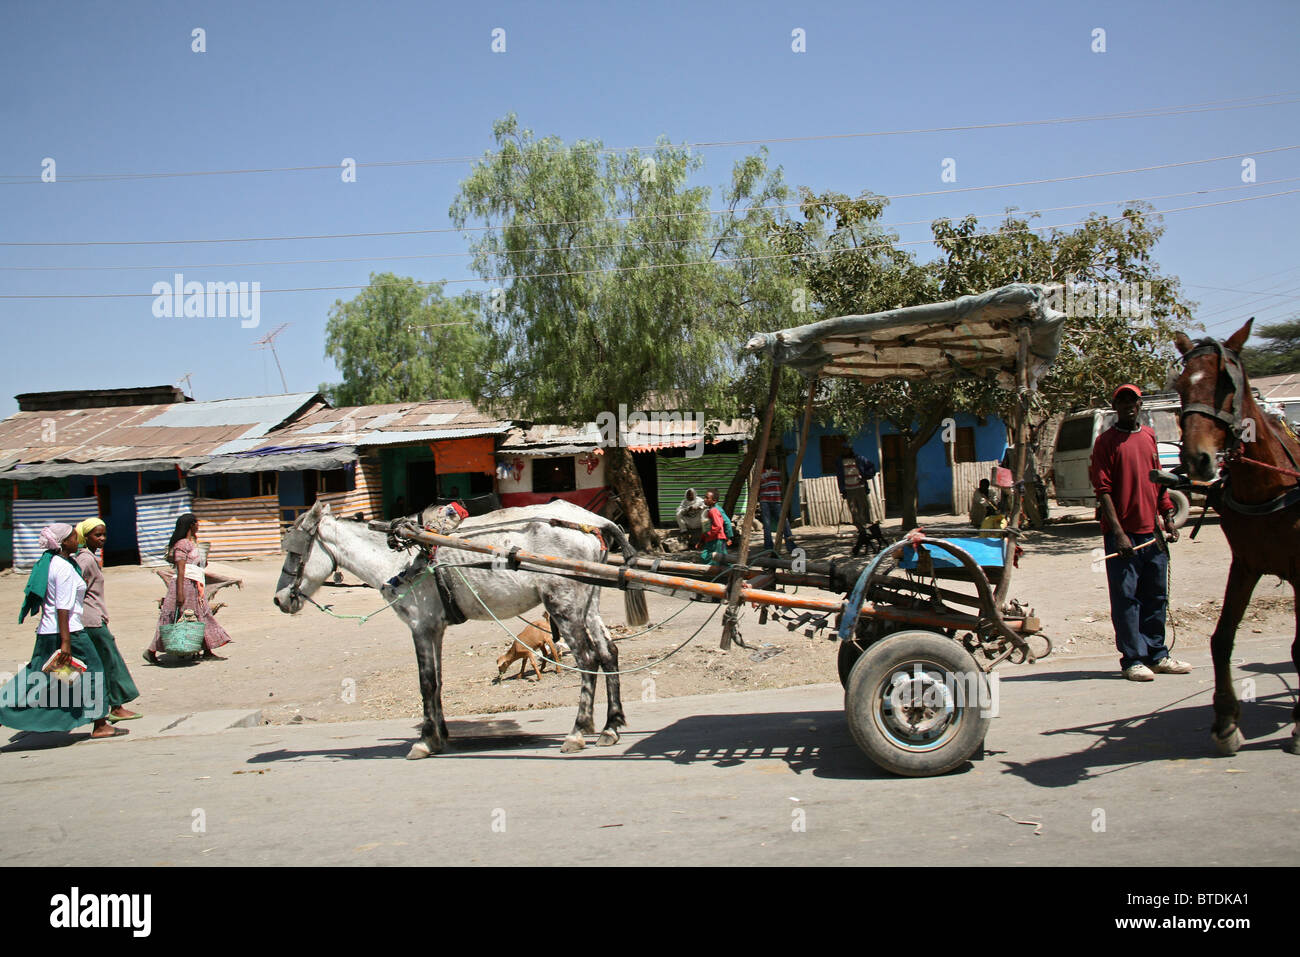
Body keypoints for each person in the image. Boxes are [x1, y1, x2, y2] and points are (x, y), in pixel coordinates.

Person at [1090, 384, 1190, 681]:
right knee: (1126, 599)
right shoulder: (1105, 442)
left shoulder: (1148, 435)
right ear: (1115, 406)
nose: (1128, 405)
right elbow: (1103, 491)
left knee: (1156, 596)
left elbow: (1156, 479)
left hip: (1153, 533)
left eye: (1132, 400)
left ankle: (1157, 655)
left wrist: (1167, 514)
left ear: (1140, 404)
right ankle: (1133, 659)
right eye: (1121, 401)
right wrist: (1118, 532)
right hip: (1124, 536)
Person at [0, 524, 121, 739]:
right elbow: (62, 607)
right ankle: (100, 725)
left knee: (40, 676)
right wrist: (66, 643)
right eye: (74, 537)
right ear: (64, 542)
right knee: (93, 673)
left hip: (48, 632)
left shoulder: (53, 563)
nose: (78, 540)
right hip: (69, 633)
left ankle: (6, 710)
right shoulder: (63, 568)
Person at [73, 518, 140, 722]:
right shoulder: (85, 559)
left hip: (94, 616)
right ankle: (116, 706)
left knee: (105, 661)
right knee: (110, 661)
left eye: (103, 534)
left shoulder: (90, 557)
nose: (102, 539)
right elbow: (75, 585)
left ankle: (114, 705)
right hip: (91, 619)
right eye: (97, 535)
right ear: (86, 537)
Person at [144, 513, 232, 663]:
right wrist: (180, 594)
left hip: (194, 586)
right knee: (173, 619)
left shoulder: (192, 544)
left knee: (201, 616)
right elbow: (181, 569)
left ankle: (207, 650)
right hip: (184, 585)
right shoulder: (182, 544)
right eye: (197, 523)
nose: (199, 526)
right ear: (191, 525)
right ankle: (151, 652)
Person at [834, 447, 885, 556]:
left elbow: (871, 468)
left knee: (864, 512)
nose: (845, 451)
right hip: (849, 489)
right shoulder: (839, 461)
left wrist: (865, 476)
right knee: (854, 515)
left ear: (851, 450)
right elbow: (839, 476)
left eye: (847, 449)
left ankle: (865, 534)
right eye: (843, 449)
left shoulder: (859, 459)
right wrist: (842, 490)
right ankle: (863, 532)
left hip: (860, 488)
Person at [758, 457, 799, 552]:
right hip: (766, 501)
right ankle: (769, 547)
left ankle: (790, 545)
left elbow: (782, 482)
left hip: (775, 500)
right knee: (768, 525)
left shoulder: (776, 471)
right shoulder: (761, 473)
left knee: (784, 523)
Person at [699, 489, 734, 565]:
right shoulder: (709, 510)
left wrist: (729, 536)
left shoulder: (714, 510)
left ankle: (730, 572)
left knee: (718, 558)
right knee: (709, 556)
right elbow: (707, 526)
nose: (704, 499)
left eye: (707, 498)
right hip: (712, 539)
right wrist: (702, 539)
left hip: (717, 539)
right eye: (704, 497)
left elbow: (721, 524)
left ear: (714, 501)